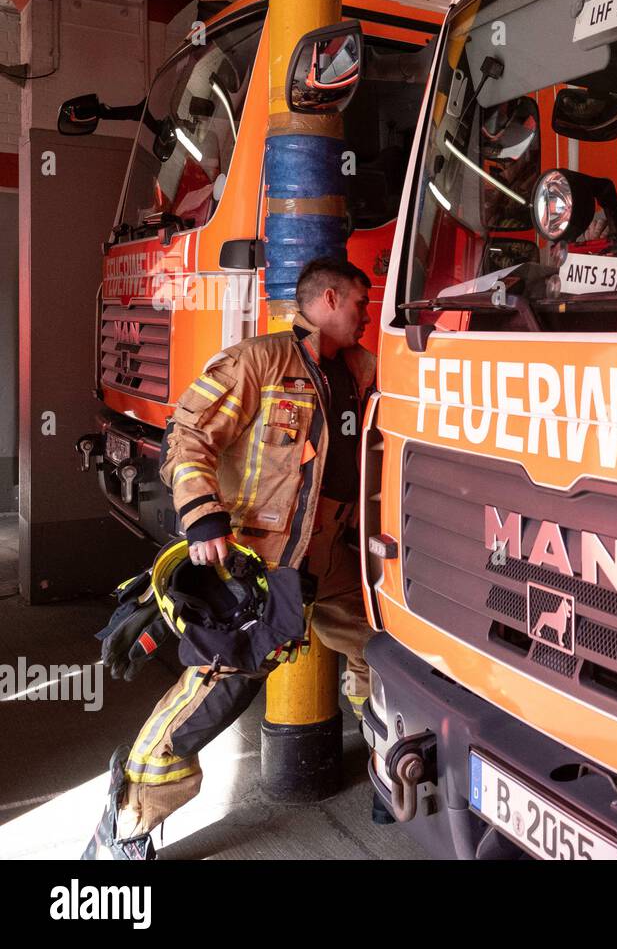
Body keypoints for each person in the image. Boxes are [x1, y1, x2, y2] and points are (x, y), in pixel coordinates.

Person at [83, 257, 376, 860]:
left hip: (333, 555)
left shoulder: (358, 368)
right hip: (263, 561)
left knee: (380, 652)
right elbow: (186, 438)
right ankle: (128, 820)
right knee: (218, 689)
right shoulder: (259, 361)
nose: (365, 318)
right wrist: (204, 517)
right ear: (326, 298)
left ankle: (387, 761)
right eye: (358, 305)